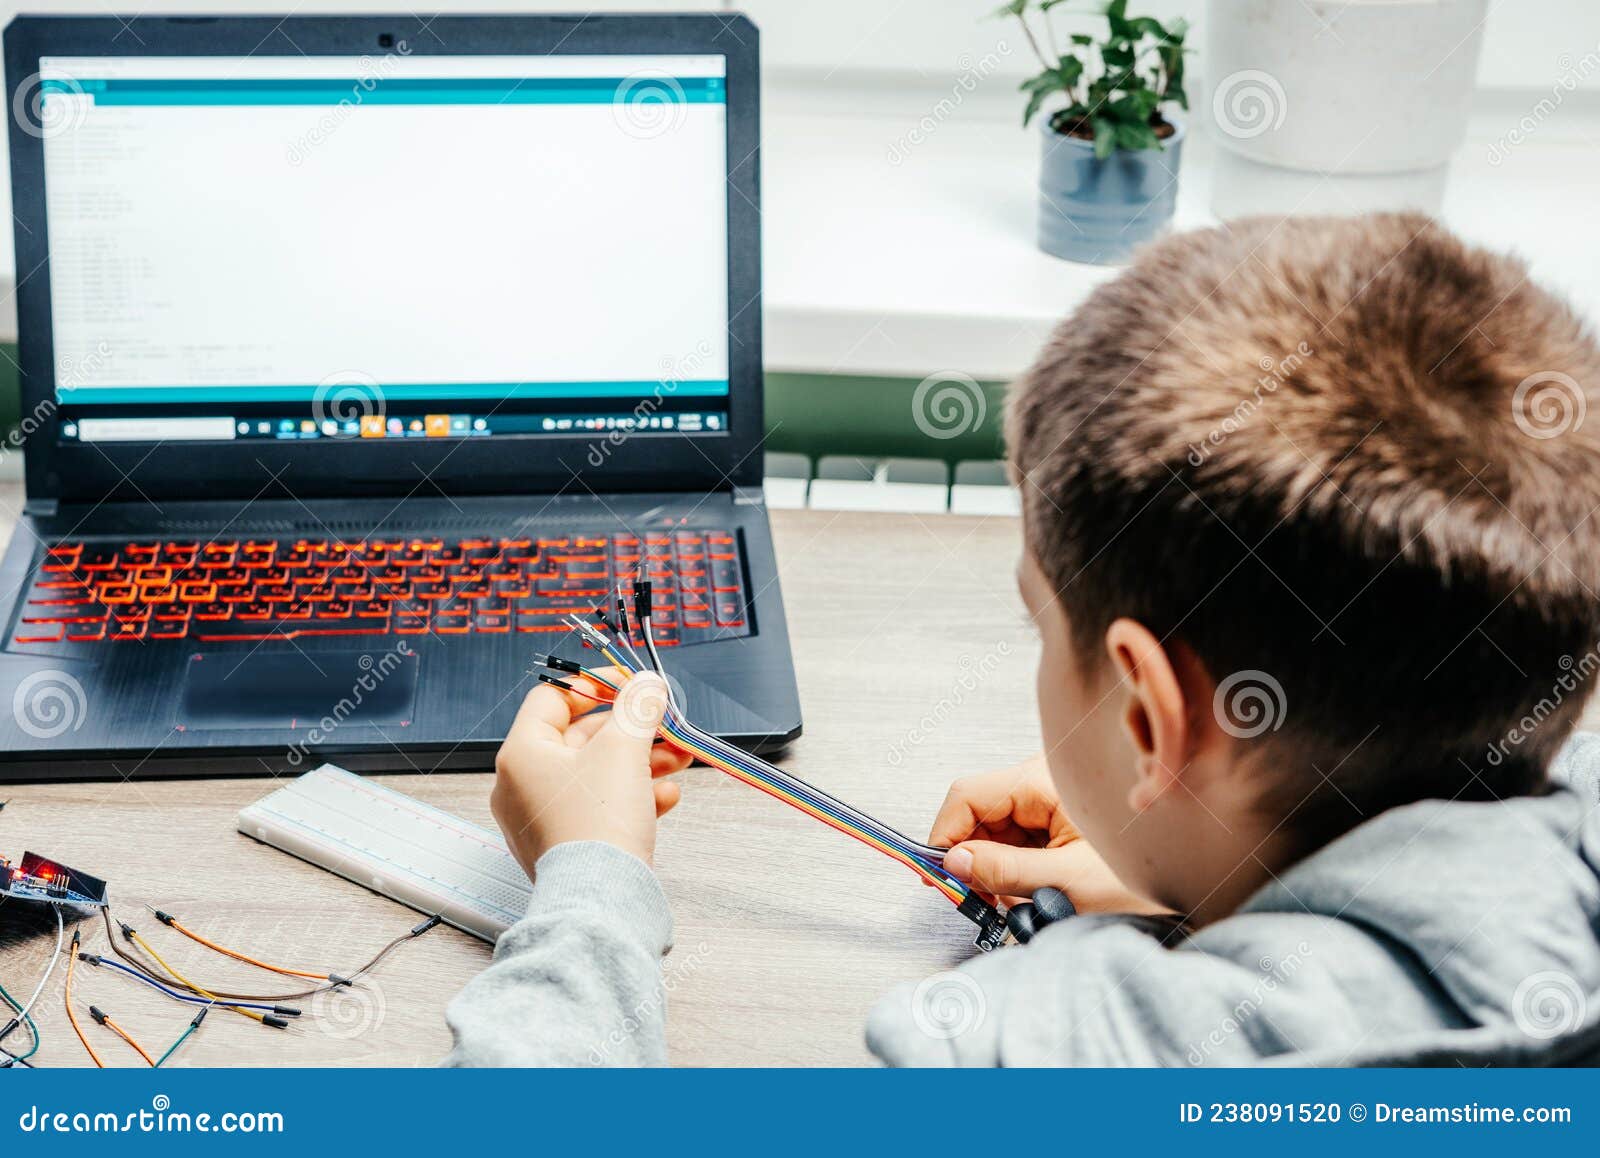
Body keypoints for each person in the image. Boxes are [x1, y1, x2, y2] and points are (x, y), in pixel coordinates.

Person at [446, 214, 1600, 1066]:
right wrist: (1224, 876)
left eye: (1035, 620)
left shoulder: (1015, 1064)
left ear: (1150, 715)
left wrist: (590, 886)